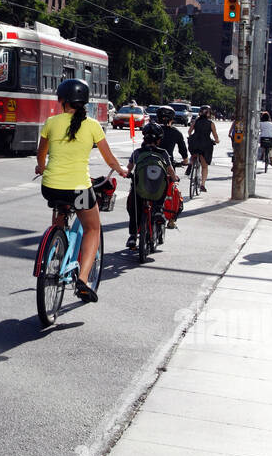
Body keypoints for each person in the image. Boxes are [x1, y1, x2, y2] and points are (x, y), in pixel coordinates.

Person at [35, 78, 129, 303]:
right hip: (78, 189)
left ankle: (55, 248)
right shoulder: (93, 126)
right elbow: (109, 159)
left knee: (60, 206)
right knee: (92, 228)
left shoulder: (51, 122)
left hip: (50, 187)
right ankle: (84, 279)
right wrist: (122, 169)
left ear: (61, 100)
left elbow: (41, 155)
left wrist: (42, 167)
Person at [125, 121, 177, 249]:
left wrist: (127, 174)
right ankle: (159, 209)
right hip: (157, 190)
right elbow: (170, 170)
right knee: (165, 183)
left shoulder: (137, 152)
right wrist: (175, 178)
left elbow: (129, 169)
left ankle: (132, 236)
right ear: (159, 139)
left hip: (140, 189)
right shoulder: (163, 152)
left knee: (133, 208)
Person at [186, 105, 220, 192]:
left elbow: (189, 131)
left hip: (194, 142)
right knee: (204, 166)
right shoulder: (211, 123)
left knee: (193, 152)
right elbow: (215, 136)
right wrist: (216, 141)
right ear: (209, 113)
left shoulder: (195, 121)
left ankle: (191, 162)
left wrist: (192, 137)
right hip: (205, 144)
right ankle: (202, 184)